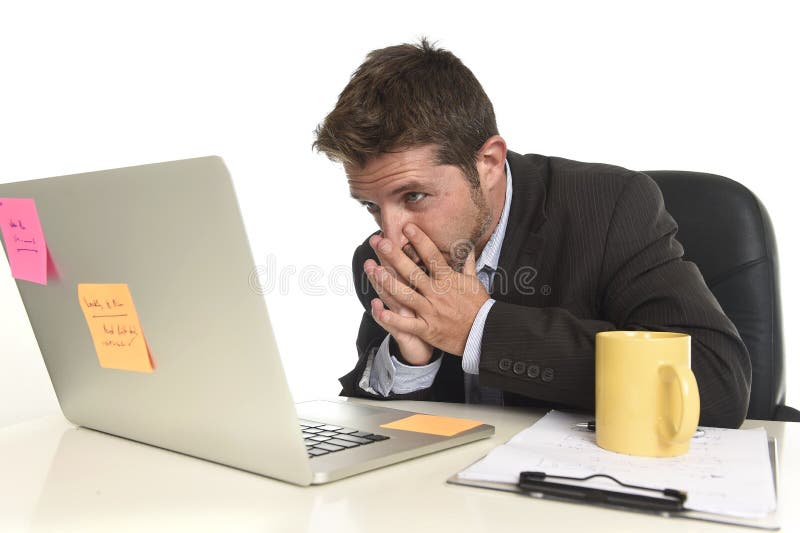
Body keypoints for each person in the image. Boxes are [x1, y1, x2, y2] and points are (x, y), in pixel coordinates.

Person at [312, 38, 751, 428]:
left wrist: (478, 331)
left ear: (487, 163)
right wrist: (412, 362)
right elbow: (372, 429)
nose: (391, 234)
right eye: (372, 205)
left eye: (413, 196)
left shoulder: (611, 207)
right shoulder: (381, 261)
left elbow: (716, 382)